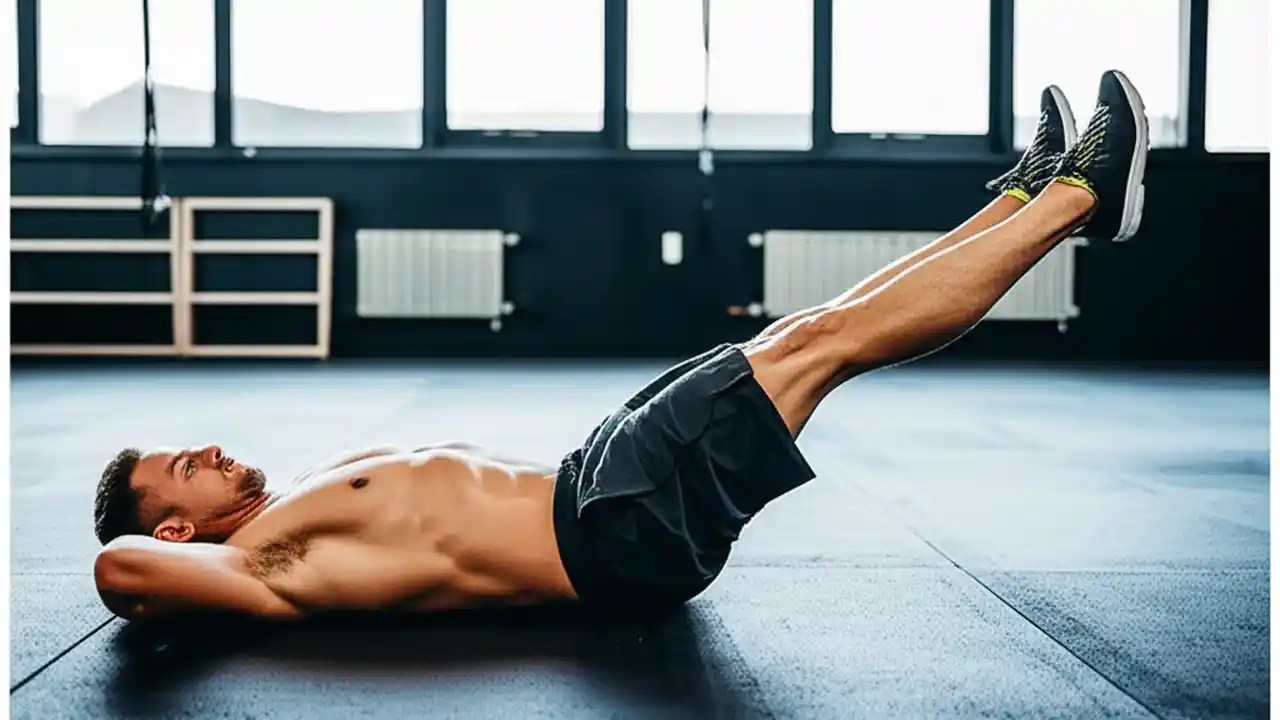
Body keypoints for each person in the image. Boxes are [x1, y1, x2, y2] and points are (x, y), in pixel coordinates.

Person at [93, 70, 1148, 621]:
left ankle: (1020, 201)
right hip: (614, 534)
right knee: (825, 345)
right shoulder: (266, 567)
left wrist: (199, 518)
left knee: (800, 331)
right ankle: (1079, 200)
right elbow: (119, 569)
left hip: (596, 479)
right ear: (178, 527)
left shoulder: (285, 515)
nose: (211, 449)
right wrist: (185, 549)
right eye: (187, 467)